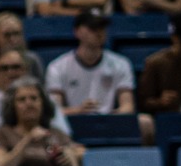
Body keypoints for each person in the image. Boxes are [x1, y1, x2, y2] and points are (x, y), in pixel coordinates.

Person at [46, 11, 148, 143]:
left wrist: (111, 115)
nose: (99, 32)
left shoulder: (121, 64)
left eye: (102, 27)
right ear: (77, 32)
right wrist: (79, 110)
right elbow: (55, 111)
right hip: (74, 122)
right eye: (93, 28)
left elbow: (128, 106)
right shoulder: (57, 67)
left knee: (146, 122)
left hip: (110, 121)